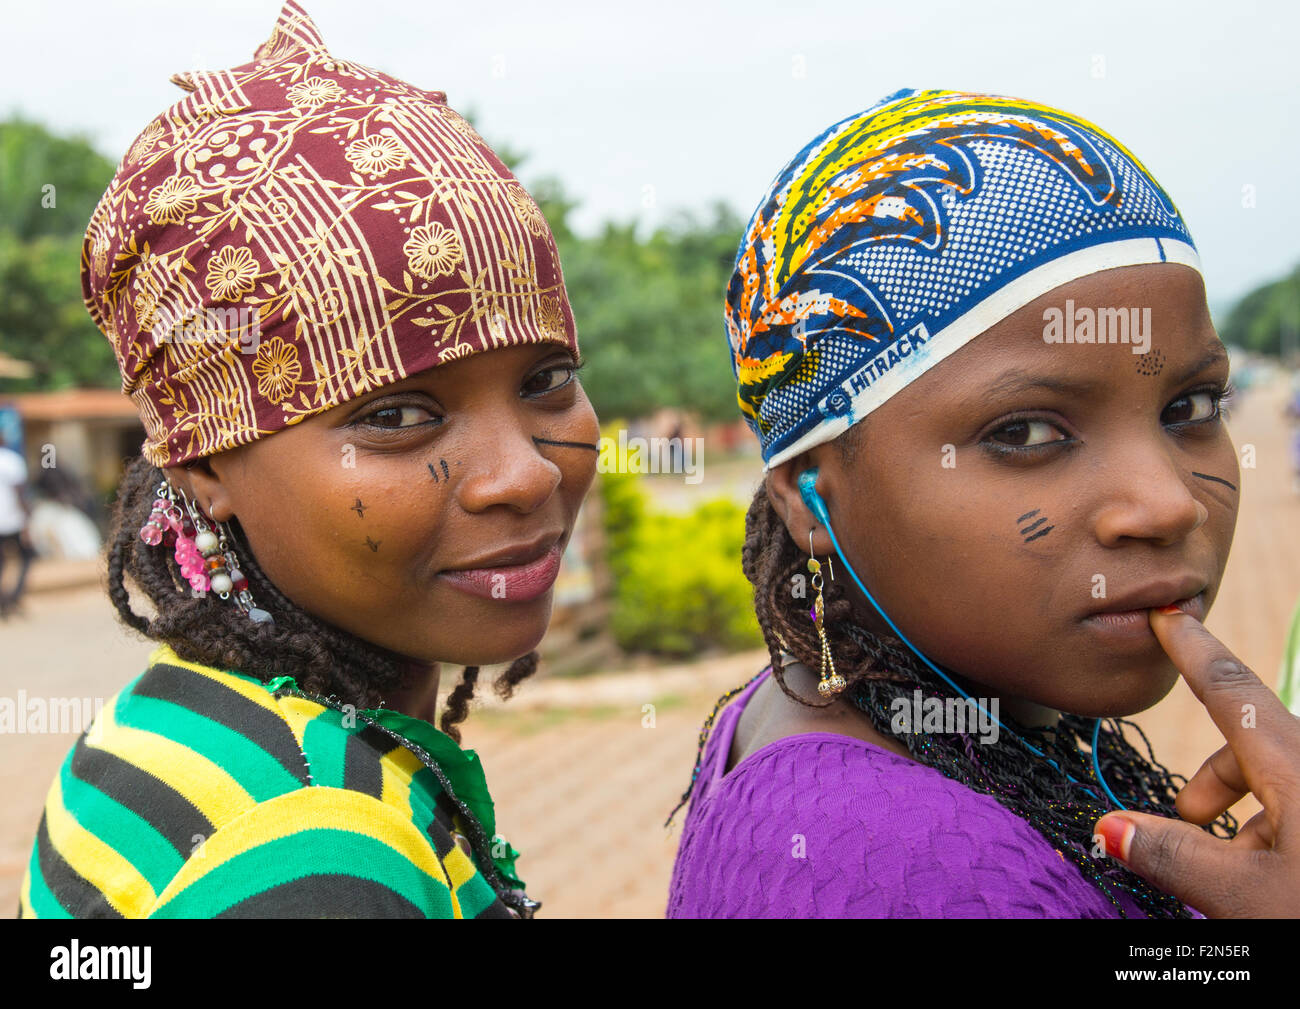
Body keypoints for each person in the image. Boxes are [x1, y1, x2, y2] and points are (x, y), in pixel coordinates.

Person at [20, 0, 598, 918]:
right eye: (399, 413)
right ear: (203, 461)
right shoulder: (316, 850)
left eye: (547, 378)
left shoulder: (167, 724)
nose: (525, 473)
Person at [667, 88, 1300, 918]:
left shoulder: (836, 702)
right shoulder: (907, 872)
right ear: (811, 497)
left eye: (1189, 408)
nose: (1167, 503)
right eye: (1029, 430)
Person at [0, 432, 35, 617]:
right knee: (27, 557)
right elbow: (20, 493)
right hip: (11, 521)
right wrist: (27, 520)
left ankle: (5, 600)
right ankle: (14, 597)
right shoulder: (12, 461)